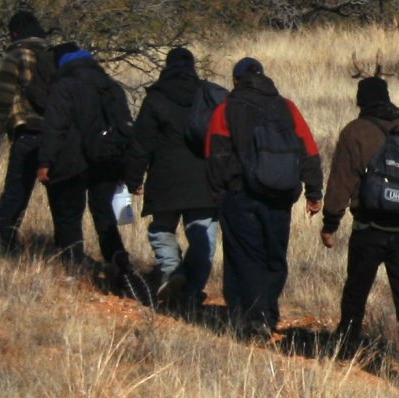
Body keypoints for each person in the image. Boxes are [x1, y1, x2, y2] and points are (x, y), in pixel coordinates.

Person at [205, 58, 324, 342]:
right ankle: (267, 315)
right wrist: (314, 191)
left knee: (243, 256)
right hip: (280, 194)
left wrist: (216, 195)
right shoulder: (287, 106)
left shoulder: (226, 108)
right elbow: (308, 148)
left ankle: (247, 319)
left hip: (240, 194)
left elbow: (215, 154)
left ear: (235, 80)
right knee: (273, 254)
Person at [321, 76, 399, 372]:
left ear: (361, 101)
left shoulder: (355, 132)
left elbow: (340, 182)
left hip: (369, 228)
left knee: (356, 290)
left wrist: (330, 222)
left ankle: (346, 347)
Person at [129, 46, 220, 313]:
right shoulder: (208, 95)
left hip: (164, 178)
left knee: (162, 229)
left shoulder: (156, 98)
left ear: (166, 68)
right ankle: (192, 291)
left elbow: (140, 144)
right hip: (204, 179)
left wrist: (133, 177)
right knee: (204, 236)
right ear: (193, 68)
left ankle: (171, 269)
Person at [35, 42, 137, 273]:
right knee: (103, 210)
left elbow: (55, 127)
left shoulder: (64, 86)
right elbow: (126, 127)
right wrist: (129, 168)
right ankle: (117, 256)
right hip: (109, 158)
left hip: (73, 160)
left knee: (69, 214)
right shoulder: (111, 86)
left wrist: (45, 161)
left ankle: (73, 264)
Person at [0, 9, 57, 254]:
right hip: (56, 134)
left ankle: (3, 244)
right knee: (60, 197)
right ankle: (67, 250)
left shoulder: (16, 54)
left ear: (14, 33)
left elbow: (2, 95)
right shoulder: (53, 54)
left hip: (27, 130)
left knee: (16, 191)